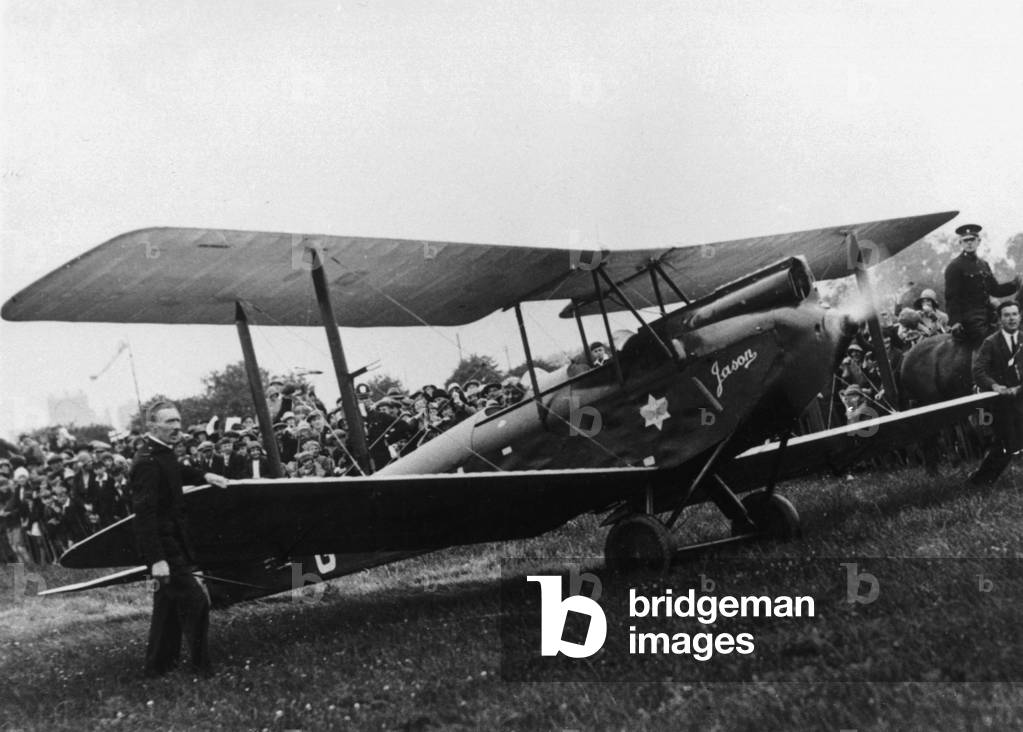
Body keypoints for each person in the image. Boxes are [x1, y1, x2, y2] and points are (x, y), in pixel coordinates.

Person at [131, 401, 228, 677]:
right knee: (197, 602)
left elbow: (176, 473)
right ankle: (202, 668)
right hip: (164, 546)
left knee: (167, 605)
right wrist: (157, 560)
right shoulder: (146, 462)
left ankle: (158, 667)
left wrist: (205, 475)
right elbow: (144, 515)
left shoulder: (162, 453)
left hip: (173, 540)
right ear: (152, 426)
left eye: (177, 421)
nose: (177, 427)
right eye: (169, 422)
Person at [969, 301, 1023, 486]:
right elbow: (979, 371)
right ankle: (979, 482)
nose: (1012, 318)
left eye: (1015, 314)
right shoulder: (991, 342)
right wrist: (996, 387)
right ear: (1000, 320)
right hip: (1004, 404)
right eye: (1007, 315)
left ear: (1020, 316)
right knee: (1004, 446)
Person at [945, 223, 1021, 347]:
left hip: (989, 313)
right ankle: (981, 367)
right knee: (988, 342)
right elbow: (951, 297)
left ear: (978, 241)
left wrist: (1015, 283)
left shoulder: (983, 265)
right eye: (965, 240)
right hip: (970, 317)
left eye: (972, 240)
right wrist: (955, 321)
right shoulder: (955, 266)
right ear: (961, 243)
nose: (969, 243)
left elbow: (995, 290)